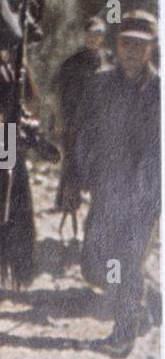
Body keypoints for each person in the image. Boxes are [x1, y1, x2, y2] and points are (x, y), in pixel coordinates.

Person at [74, 9, 161, 355]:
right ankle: (149, 302)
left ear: (152, 48)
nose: (132, 51)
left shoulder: (160, 90)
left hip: (144, 193)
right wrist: (80, 172)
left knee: (128, 258)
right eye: (126, 43)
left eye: (141, 45)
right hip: (107, 187)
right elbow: (85, 131)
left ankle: (123, 331)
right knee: (98, 264)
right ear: (117, 44)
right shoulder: (101, 83)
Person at [53, 15, 110, 226]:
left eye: (99, 34)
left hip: (102, 124)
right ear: (85, 36)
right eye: (91, 34)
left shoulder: (109, 59)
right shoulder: (72, 62)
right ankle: (70, 212)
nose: (95, 39)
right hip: (75, 123)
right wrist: (60, 122)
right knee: (72, 168)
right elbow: (59, 93)